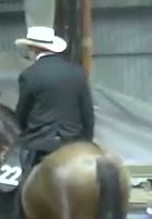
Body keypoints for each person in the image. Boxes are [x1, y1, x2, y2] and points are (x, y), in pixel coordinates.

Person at [14, 25, 95, 173]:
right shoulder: (77, 72)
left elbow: (22, 115)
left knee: (21, 185)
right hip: (73, 142)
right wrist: (86, 141)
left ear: (34, 49)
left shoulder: (29, 75)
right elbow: (87, 112)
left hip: (41, 143)